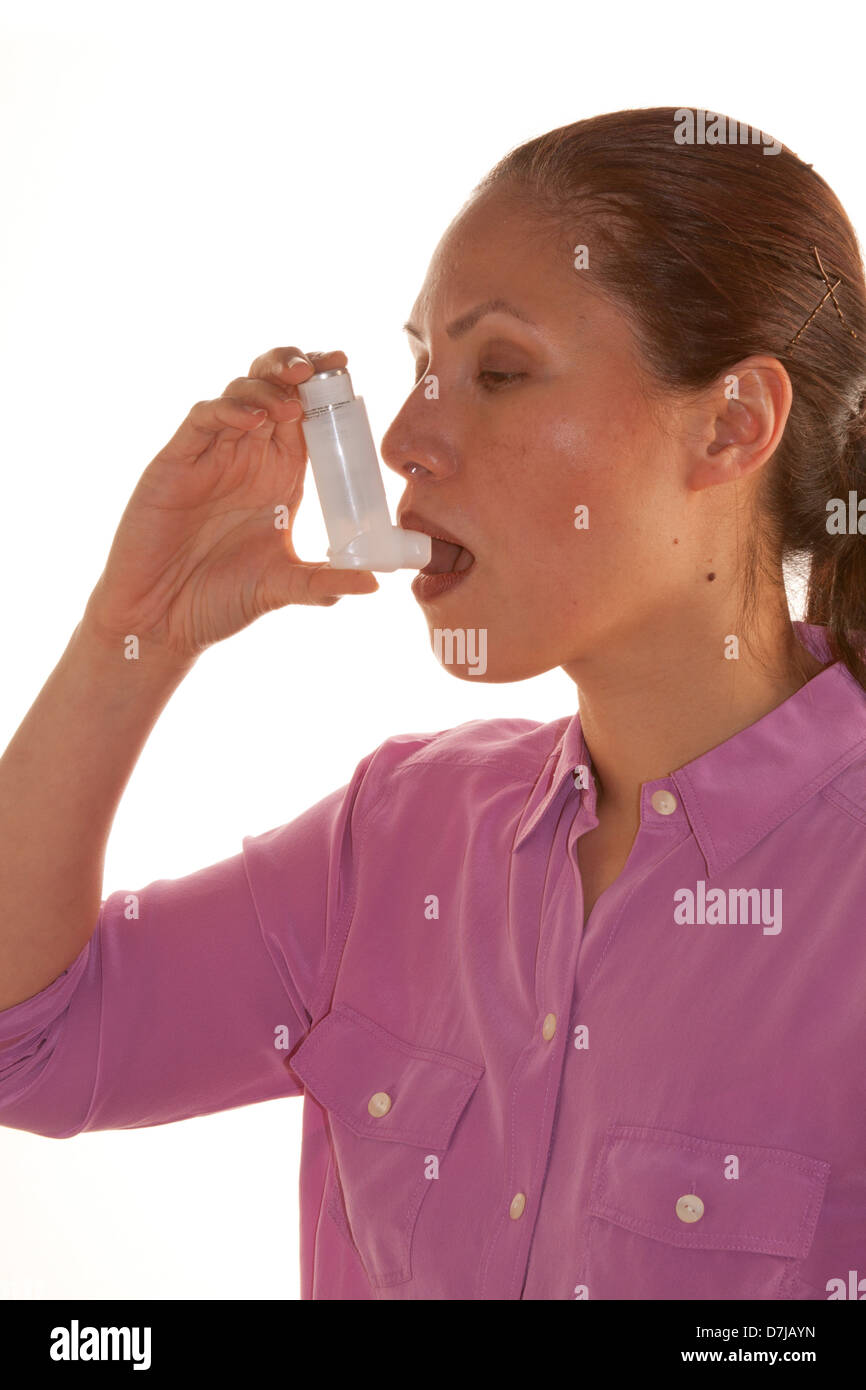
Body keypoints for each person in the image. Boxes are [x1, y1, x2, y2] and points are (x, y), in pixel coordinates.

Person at [1, 105, 865, 1301]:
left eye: (497, 371)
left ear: (730, 425)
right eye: (418, 371)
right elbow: (26, 1044)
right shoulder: (398, 833)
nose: (405, 438)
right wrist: (130, 631)